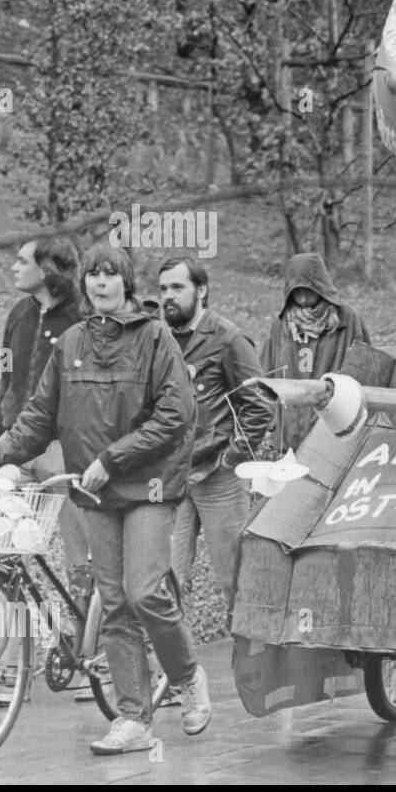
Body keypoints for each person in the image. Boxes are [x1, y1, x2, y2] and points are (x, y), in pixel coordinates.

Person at [0, 244, 210, 755]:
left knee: (144, 591)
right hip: (93, 489)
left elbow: (175, 416)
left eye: (110, 275)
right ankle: (133, 720)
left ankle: (187, 677)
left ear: (125, 282)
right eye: (93, 276)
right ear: (85, 285)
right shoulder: (73, 340)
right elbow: (39, 414)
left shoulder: (154, 337)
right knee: (116, 604)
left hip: (146, 483)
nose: (100, 283)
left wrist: (111, 461)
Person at [159, 257, 274, 600]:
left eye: (178, 287)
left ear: (202, 290)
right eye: (163, 288)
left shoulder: (228, 339)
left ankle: (251, 649)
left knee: (234, 577)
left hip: (218, 475)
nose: (168, 296)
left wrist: (232, 456)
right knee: (167, 580)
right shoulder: (160, 340)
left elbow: (260, 403)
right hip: (174, 476)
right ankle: (176, 653)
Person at [0, 236, 89, 580]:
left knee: (82, 557)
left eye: (22, 261)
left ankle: (89, 629)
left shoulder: (84, 317)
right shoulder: (18, 313)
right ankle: (11, 628)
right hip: (18, 446)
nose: (14, 267)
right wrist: (0, 435)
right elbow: (6, 374)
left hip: (65, 453)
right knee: (4, 551)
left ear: (47, 269)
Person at [259, 252, 370, 453]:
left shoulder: (347, 319)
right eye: (296, 290)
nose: (302, 297)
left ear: (321, 286)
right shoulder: (282, 323)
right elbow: (265, 374)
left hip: (333, 429)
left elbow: (367, 370)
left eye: (308, 289)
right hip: (288, 434)